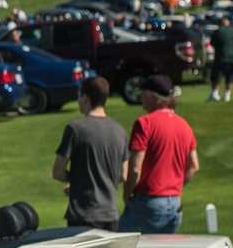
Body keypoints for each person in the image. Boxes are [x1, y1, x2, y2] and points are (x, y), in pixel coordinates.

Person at [119, 75, 198, 234]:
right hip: (174, 205)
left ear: (154, 97)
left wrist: (126, 196)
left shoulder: (144, 123)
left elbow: (135, 168)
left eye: (143, 93)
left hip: (147, 203)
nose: (140, 97)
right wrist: (173, 188)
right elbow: (194, 166)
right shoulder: (184, 124)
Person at [51, 76, 126, 231]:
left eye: (79, 95)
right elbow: (123, 175)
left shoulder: (76, 129)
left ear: (85, 98)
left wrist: (79, 183)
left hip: (83, 216)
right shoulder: (120, 131)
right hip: (110, 216)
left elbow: (57, 172)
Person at [208, 14, 233, 102]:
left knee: (217, 76)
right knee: (231, 77)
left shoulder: (218, 31)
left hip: (222, 58)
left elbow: (212, 43)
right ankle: (227, 95)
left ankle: (214, 93)